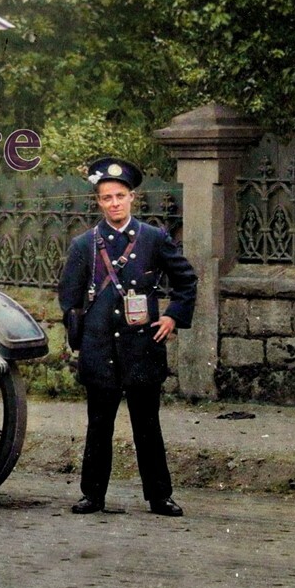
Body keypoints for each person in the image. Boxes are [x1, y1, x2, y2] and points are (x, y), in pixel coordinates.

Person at [58, 156, 197, 517]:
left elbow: (186, 281)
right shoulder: (83, 245)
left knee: (147, 426)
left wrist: (171, 317)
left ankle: (159, 496)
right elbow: (69, 300)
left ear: (132, 197)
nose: (114, 203)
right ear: (99, 202)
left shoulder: (153, 239)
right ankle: (93, 495)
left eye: (120, 196)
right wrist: (81, 338)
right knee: (99, 426)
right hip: (100, 349)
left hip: (142, 348)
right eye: (107, 198)